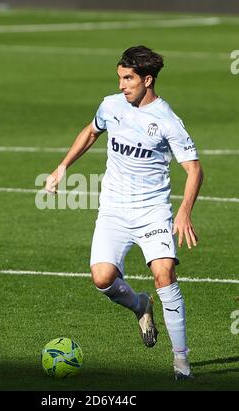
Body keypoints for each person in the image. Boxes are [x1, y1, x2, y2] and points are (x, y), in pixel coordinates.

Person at [45, 45, 203, 380]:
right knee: (102, 279)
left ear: (148, 80)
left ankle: (181, 363)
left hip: (152, 212)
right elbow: (91, 132)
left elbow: (194, 170)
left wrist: (184, 212)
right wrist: (62, 167)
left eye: (128, 79)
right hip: (113, 210)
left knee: (164, 273)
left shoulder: (167, 121)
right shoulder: (111, 105)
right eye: (119, 78)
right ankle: (140, 305)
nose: (121, 85)